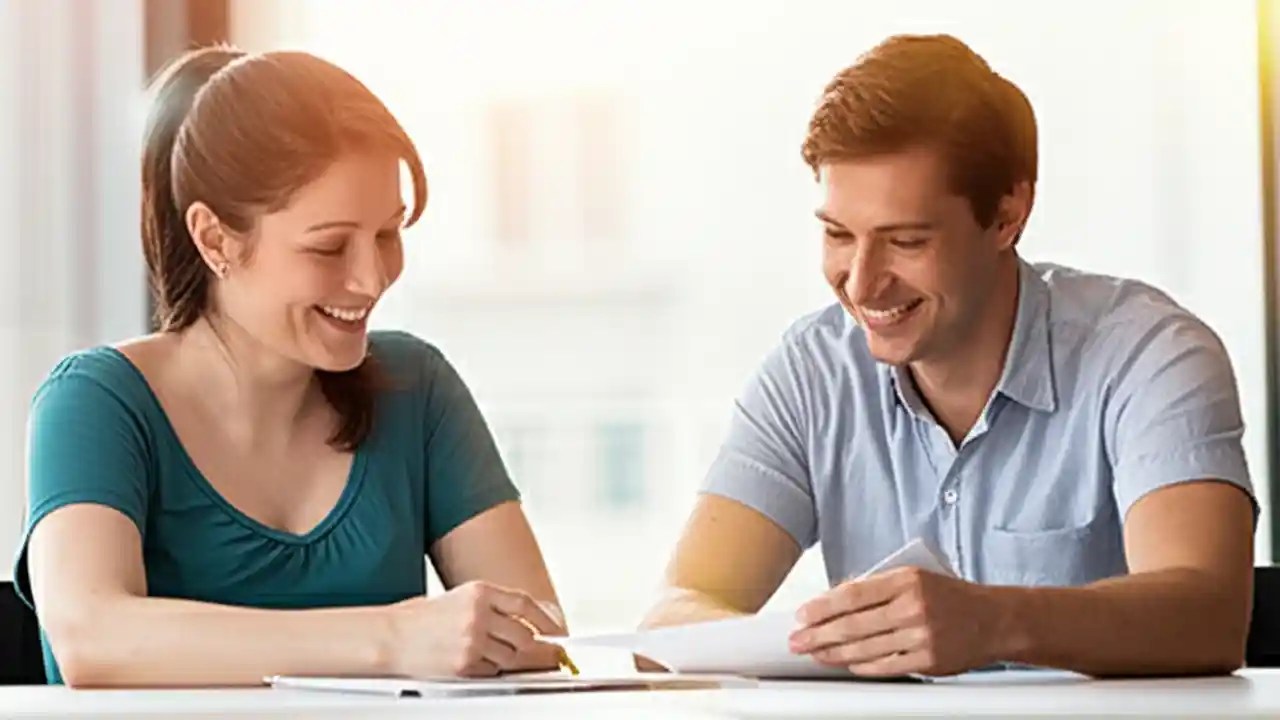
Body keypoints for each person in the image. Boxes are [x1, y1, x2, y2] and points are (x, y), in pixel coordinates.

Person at [641, 34, 1257, 678]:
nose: (861, 284)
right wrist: (830, 639)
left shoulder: (1147, 354)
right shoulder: (811, 375)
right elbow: (673, 618)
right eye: (838, 235)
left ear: (1008, 216)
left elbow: (1208, 616)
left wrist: (994, 622)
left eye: (906, 241)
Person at [12, 45, 567, 686]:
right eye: (329, 247)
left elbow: (542, 635)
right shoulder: (98, 402)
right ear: (215, 240)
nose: (371, 279)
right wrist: (391, 639)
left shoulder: (417, 388)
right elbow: (91, 635)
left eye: (387, 234)